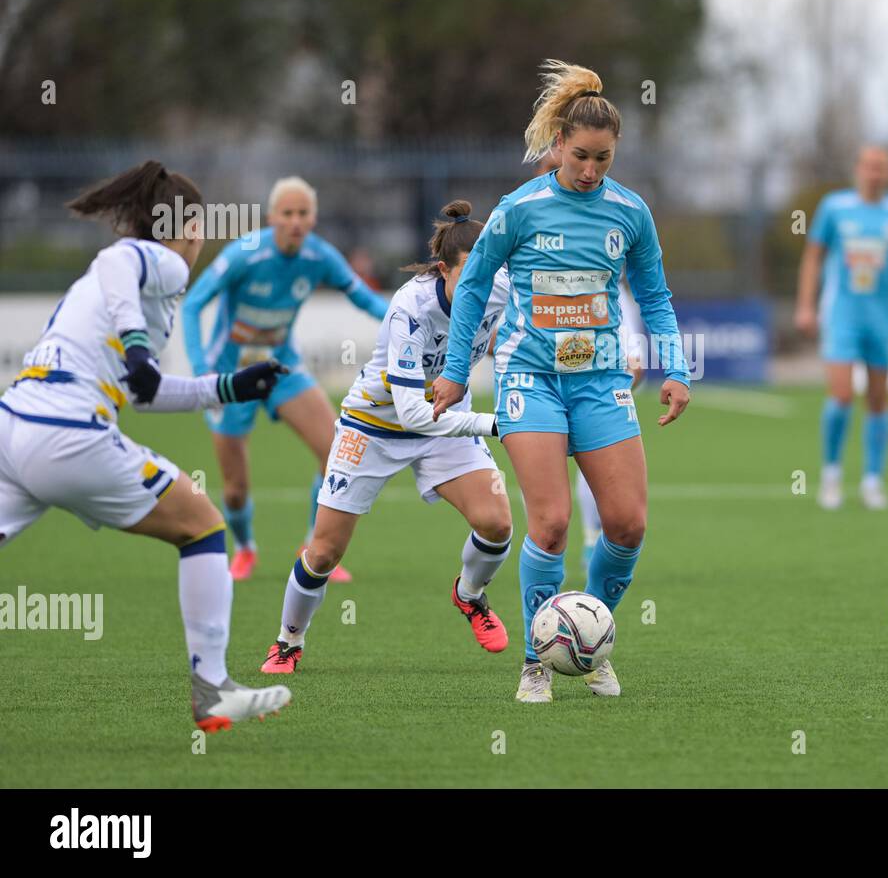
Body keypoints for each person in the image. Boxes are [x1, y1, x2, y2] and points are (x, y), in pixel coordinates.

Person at [431, 60, 692, 704]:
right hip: (532, 380)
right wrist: (456, 373)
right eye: (580, 156)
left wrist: (676, 368)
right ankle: (536, 661)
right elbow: (468, 291)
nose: (590, 170)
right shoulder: (518, 210)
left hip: (600, 381)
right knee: (549, 525)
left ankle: (586, 638)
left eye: (603, 159)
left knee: (627, 525)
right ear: (557, 146)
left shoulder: (630, 212)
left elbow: (654, 296)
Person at [0, 160, 293, 730]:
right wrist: (135, 342)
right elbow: (119, 258)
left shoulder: (134, 289)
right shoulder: (154, 260)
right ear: (185, 228)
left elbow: (146, 391)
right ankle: (211, 688)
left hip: (14, 427)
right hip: (67, 434)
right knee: (204, 525)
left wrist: (227, 387)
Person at [258, 200, 511, 673]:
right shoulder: (409, 309)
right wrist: (495, 423)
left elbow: (509, 338)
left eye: (486, 275)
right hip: (374, 425)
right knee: (325, 550)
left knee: (497, 523)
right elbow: (413, 414)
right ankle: (288, 642)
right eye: (467, 277)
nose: (479, 289)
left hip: (446, 423)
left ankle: (469, 595)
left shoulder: (501, 287)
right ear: (442, 270)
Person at [182, 177, 390, 582]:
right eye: (287, 214)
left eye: (303, 214)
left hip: (282, 369)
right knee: (236, 488)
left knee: (335, 450)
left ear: (312, 219)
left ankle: (315, 545)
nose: (295, 222)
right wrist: (201, 372)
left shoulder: (320, 256)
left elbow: (364, 298)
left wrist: (413, 318)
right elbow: (192, 304)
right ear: (272, 217)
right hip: (230, 377)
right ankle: (244, 549)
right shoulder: (245, 254)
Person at [794, 146, 888, 510]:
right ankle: (831, 475)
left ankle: (873, 479)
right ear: (857, 170)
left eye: (882, 168)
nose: (876, 173)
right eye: (870, 167)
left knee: (878, 398)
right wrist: (805, 305)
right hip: (841, 315)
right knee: (840, 395)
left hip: (883, 316)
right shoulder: (835, 208)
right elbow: (813, 256)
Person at [532, 149, 647, 569]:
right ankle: (566, 541)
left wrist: (611, 368)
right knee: (549, 513)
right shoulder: (523, 221)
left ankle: (594, 534)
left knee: (604, 479)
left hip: (595, 371)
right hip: (539, 381)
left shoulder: (613, 215)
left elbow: (634, 357)